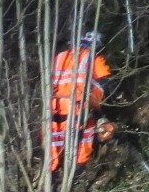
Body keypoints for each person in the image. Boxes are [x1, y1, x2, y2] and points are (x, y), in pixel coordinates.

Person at [48, 30, 115, 174]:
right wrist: (99, 106)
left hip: (55, 104)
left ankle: (52, 172)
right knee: (85, 133)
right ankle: (79, 168)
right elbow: (105, 81)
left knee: (55, 136)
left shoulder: (59, 57)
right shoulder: (94, 57)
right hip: (78, 104)